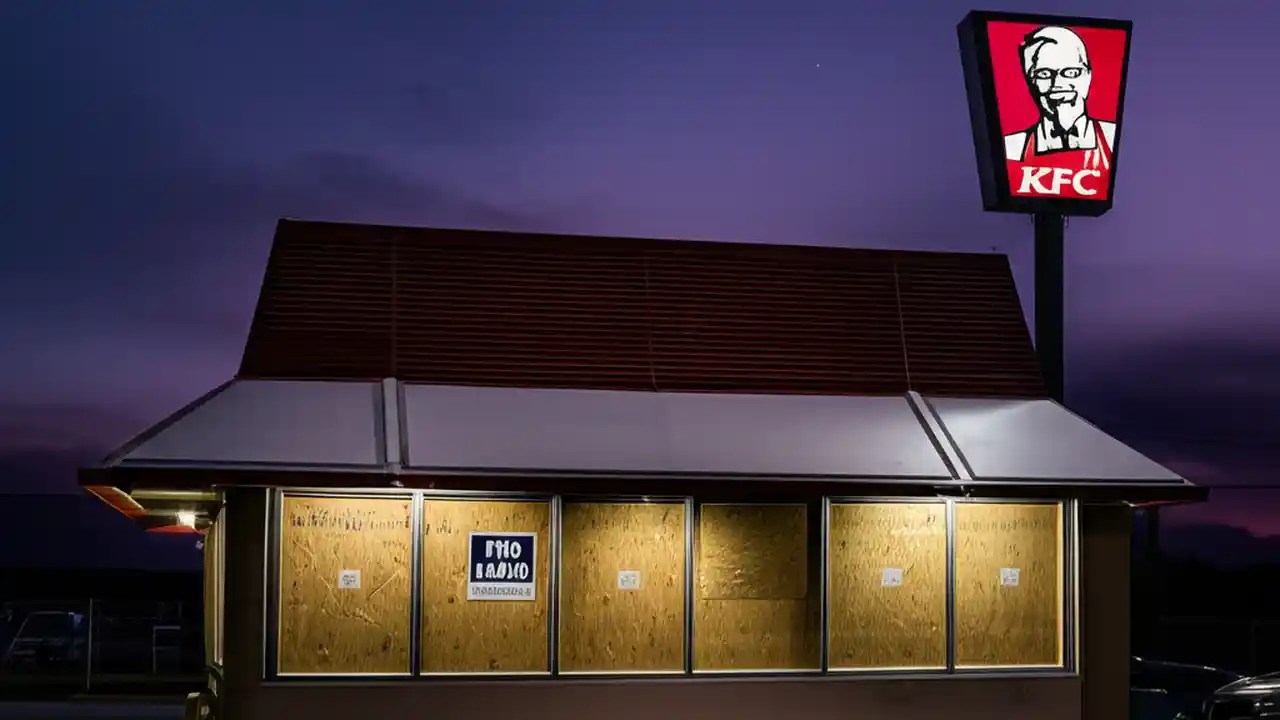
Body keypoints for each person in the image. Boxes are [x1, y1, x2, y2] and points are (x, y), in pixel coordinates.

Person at [1003, 25, 1116, 172]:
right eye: (1044, 74)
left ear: (1088, 77)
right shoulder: (1011, 149)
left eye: (1071, 72)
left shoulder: (1113, 138)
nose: (1058, 84)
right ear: (1030, 82)